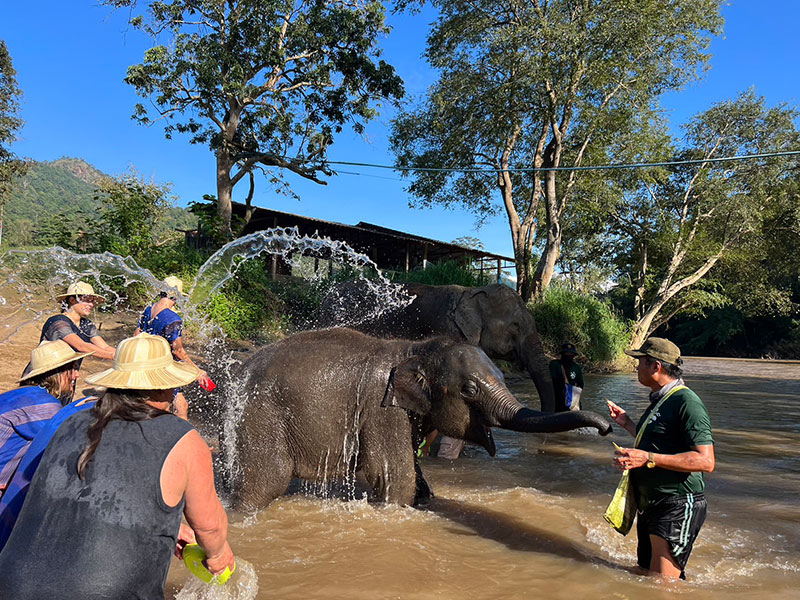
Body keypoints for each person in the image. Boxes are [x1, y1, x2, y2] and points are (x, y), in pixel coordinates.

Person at [0, 333, 235, 598]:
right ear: (165, 385)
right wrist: (218, 554)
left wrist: (164, 526)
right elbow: (210, 528)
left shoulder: (71, 421)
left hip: (12, 584)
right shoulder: (185, 439)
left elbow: (81, 497)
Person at [607, 337, 715, 581]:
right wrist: (627, 424)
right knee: (645, 577)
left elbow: (706, 461)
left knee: (664, 587)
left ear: (656, 367)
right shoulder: (661, 400)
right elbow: (658, 441)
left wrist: (647, 458)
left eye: (640, 362)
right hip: (651, 503)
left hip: (676, 502)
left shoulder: (687, 402)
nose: (636, 368)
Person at [1, 339, 91, 497]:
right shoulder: (43, 404)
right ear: (58, 372)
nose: (77, 375)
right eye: (73, 368)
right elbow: (63, 442)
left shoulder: (26, 393)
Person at [135, 275, 209, 419]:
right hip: (163, 367)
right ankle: (179, 438)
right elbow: (178, 350)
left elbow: (137, 335)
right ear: (175, 297)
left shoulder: (148, 310)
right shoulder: (173, 319)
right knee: (174, 406)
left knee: (179, 404)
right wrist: (196, 370)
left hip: (148, 363)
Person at [38, 281, 116, 361]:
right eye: (87, 300)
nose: (91, 305)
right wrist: (115, 356)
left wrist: (123, 354)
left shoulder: (86, 324)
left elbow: (105, 347)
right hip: (44, 372)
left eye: (92, 301)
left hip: (69, 373)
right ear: (72, 300)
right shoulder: (58, 322)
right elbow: (81, 346)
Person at [549, 342, 584, 412]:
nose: (569, 356)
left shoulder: (576, 368)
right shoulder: (555, 364)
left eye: (571, 355)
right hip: (556, 398)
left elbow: (580, 384)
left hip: (570, 400)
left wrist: (575, 398)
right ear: (562, 355)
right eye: (566, 354)